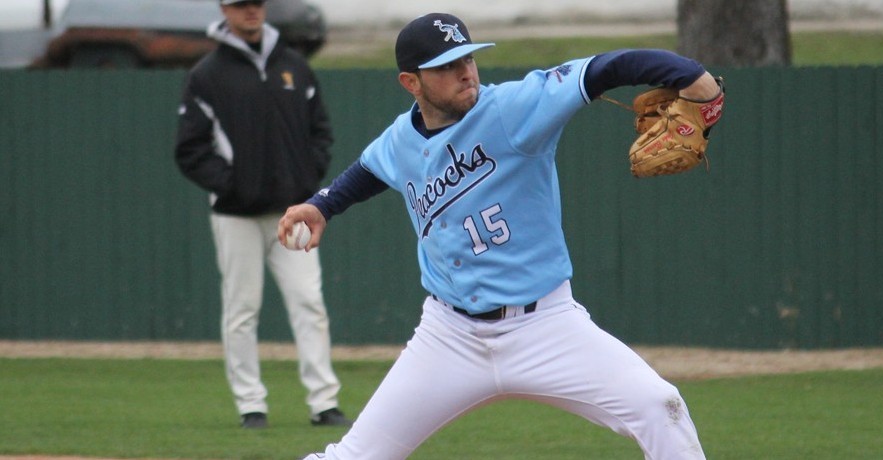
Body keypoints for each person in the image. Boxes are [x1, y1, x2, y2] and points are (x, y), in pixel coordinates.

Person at [278, 12, 723, 459]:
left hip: (546, 326)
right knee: (353, 455)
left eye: (467, 58)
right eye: (446, 66)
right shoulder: (401, 137)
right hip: (448, 336)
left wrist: (692, 77)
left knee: (659, 406)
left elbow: (605, 68)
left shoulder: (514, 107)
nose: (465, 72)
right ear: (411, 83)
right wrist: (321, 205)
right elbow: (370, 171)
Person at [174, 0, 352, 429]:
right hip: (236, 215)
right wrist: (236, 185)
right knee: (242, 309)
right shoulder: (206, 75)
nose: (250, 11)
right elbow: (190, 150)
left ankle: (323, 403)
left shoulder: (295, 65)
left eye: (256, 3)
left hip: (293, 212)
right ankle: (251, 405)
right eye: (240, 5)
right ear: (224, 9)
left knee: (309, 303)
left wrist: (304, 179)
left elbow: (320, 132)